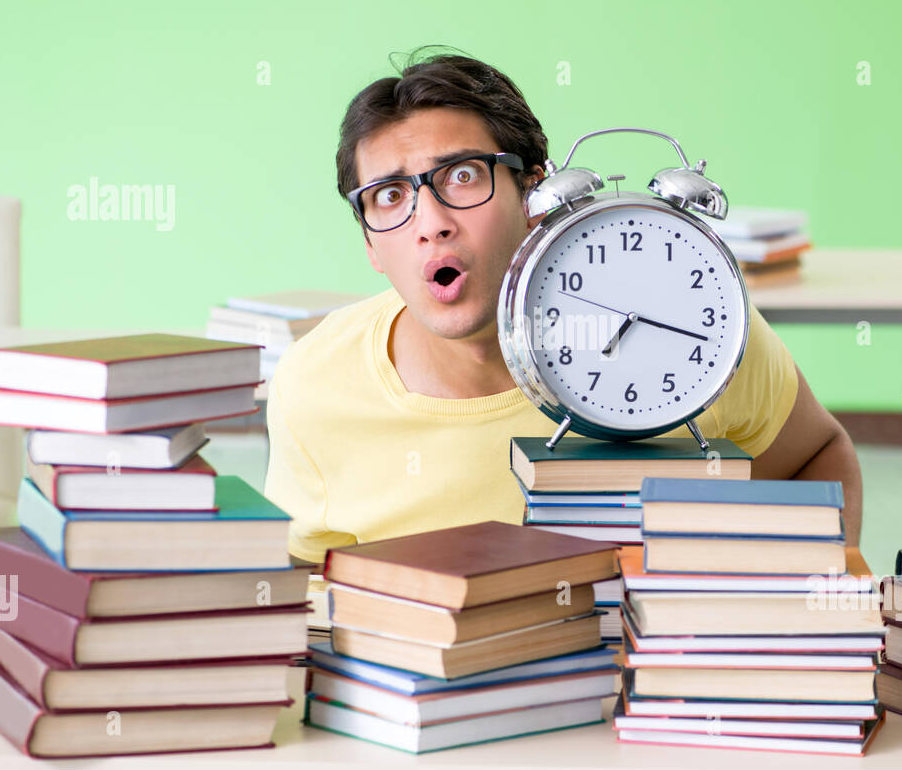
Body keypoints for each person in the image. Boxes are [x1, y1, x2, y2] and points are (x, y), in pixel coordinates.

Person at [264, 48, 863, 567]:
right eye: (390, 196)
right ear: (370, 242)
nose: (432, 224)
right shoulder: (314, 384)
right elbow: (303, 597)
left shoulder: (696, 342)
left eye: (464, 176)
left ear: (535, 193)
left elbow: (817, 455)